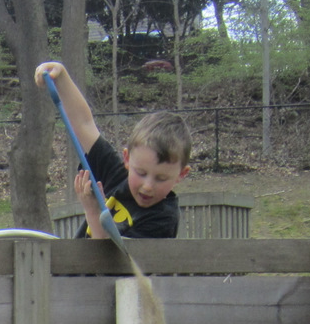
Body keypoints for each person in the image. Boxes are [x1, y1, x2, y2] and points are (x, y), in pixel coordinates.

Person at [35, 61, 193, 240]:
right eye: (140, 172)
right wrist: (61, 77)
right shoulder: (116, 176)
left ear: (181, 174)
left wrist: (94, 212)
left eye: (161, 178)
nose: (148, 186)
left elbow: (114, 262)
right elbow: (84, 124)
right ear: (126, 158)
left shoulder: (163, 219)